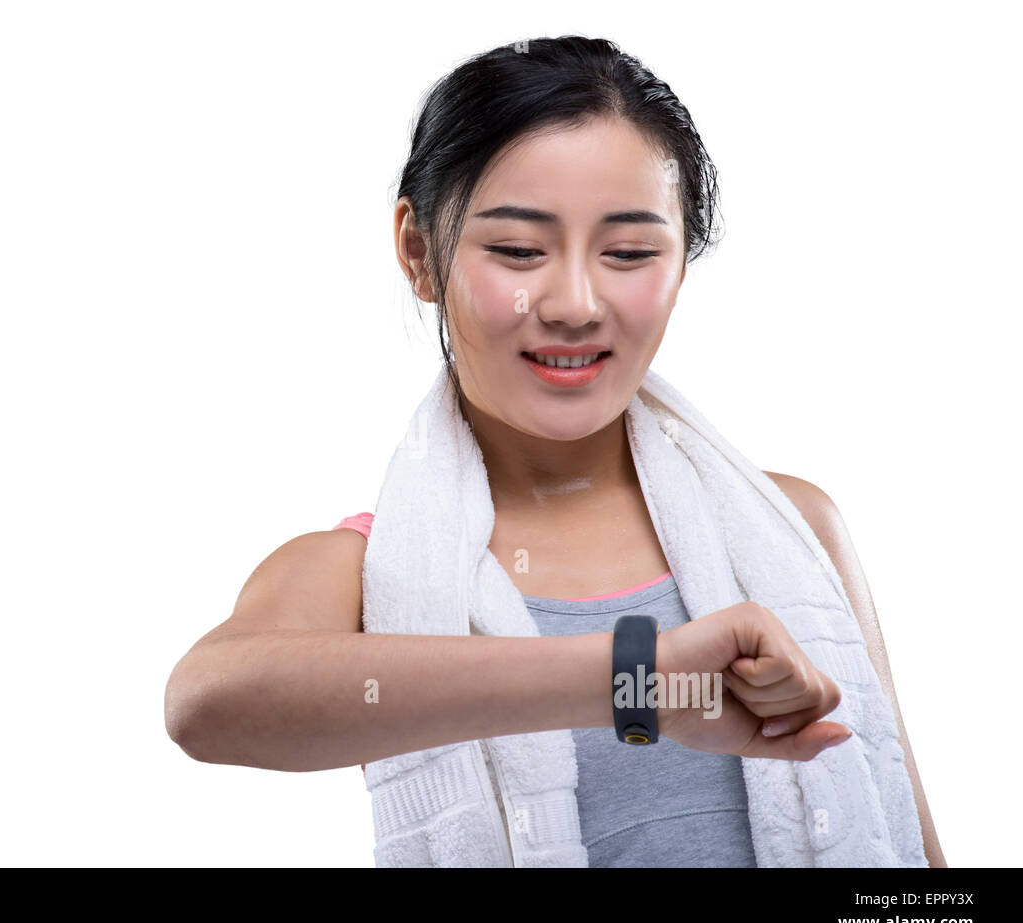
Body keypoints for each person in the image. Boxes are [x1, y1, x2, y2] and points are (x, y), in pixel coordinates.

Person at [164, 35, 945, 867]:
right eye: (518, 250)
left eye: (630, 253)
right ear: (420, 251)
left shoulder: (794, 526)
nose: (575, 304)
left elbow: (917, 868)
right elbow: (207, 702)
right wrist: (637, 678)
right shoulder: (361, 574)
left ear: (682, 263)